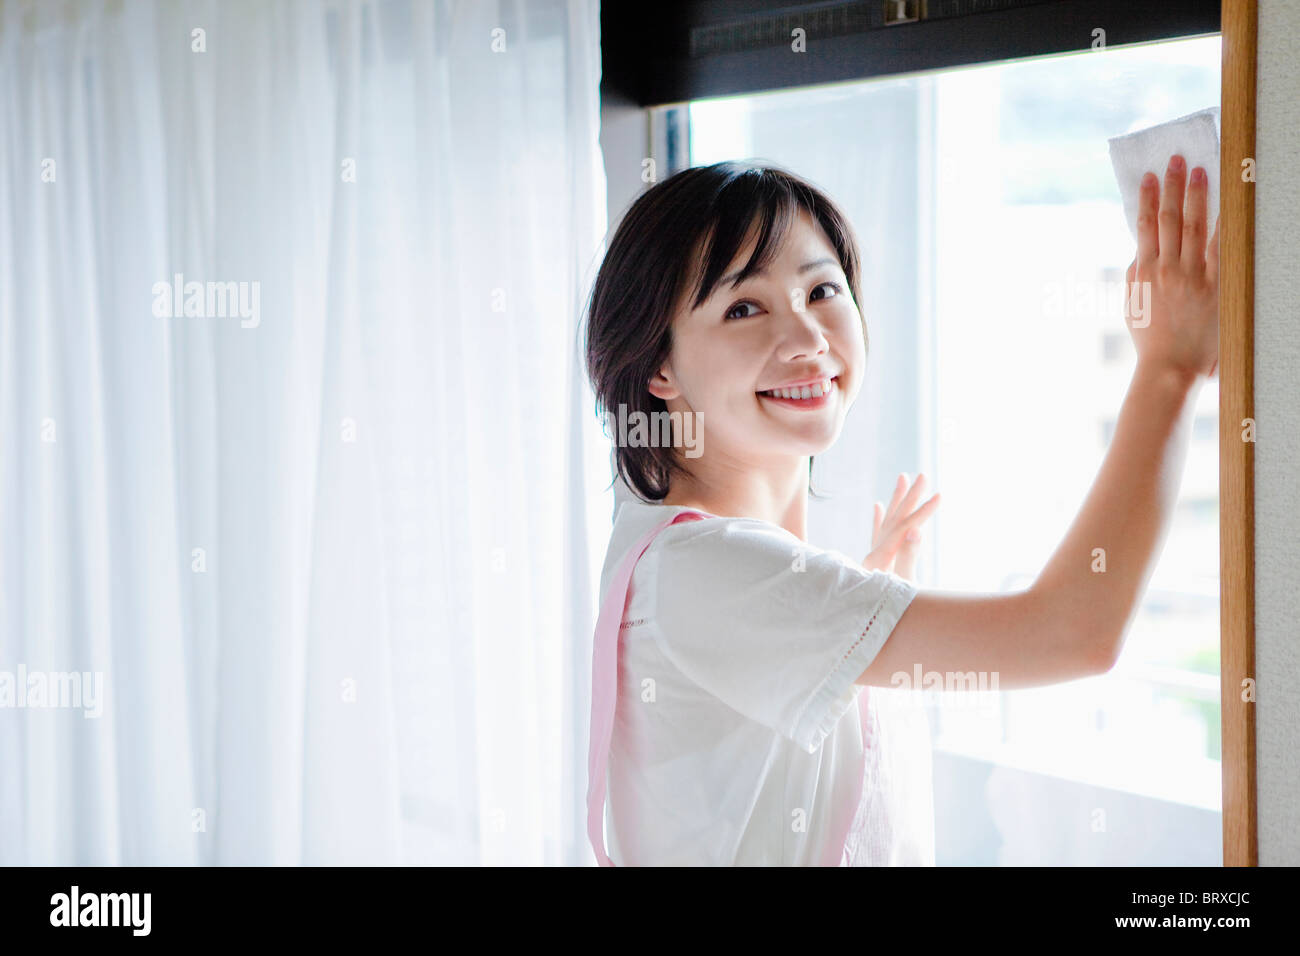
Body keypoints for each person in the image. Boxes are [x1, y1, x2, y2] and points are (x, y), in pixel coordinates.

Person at [582, 158, 1219, 866]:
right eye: (743, 308)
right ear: (658, 366)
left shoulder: (677, 557)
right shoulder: (707, 572)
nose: (808, 338)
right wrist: (1170, 368)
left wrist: (864, 610)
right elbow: (1074, 633)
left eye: (822, 290)